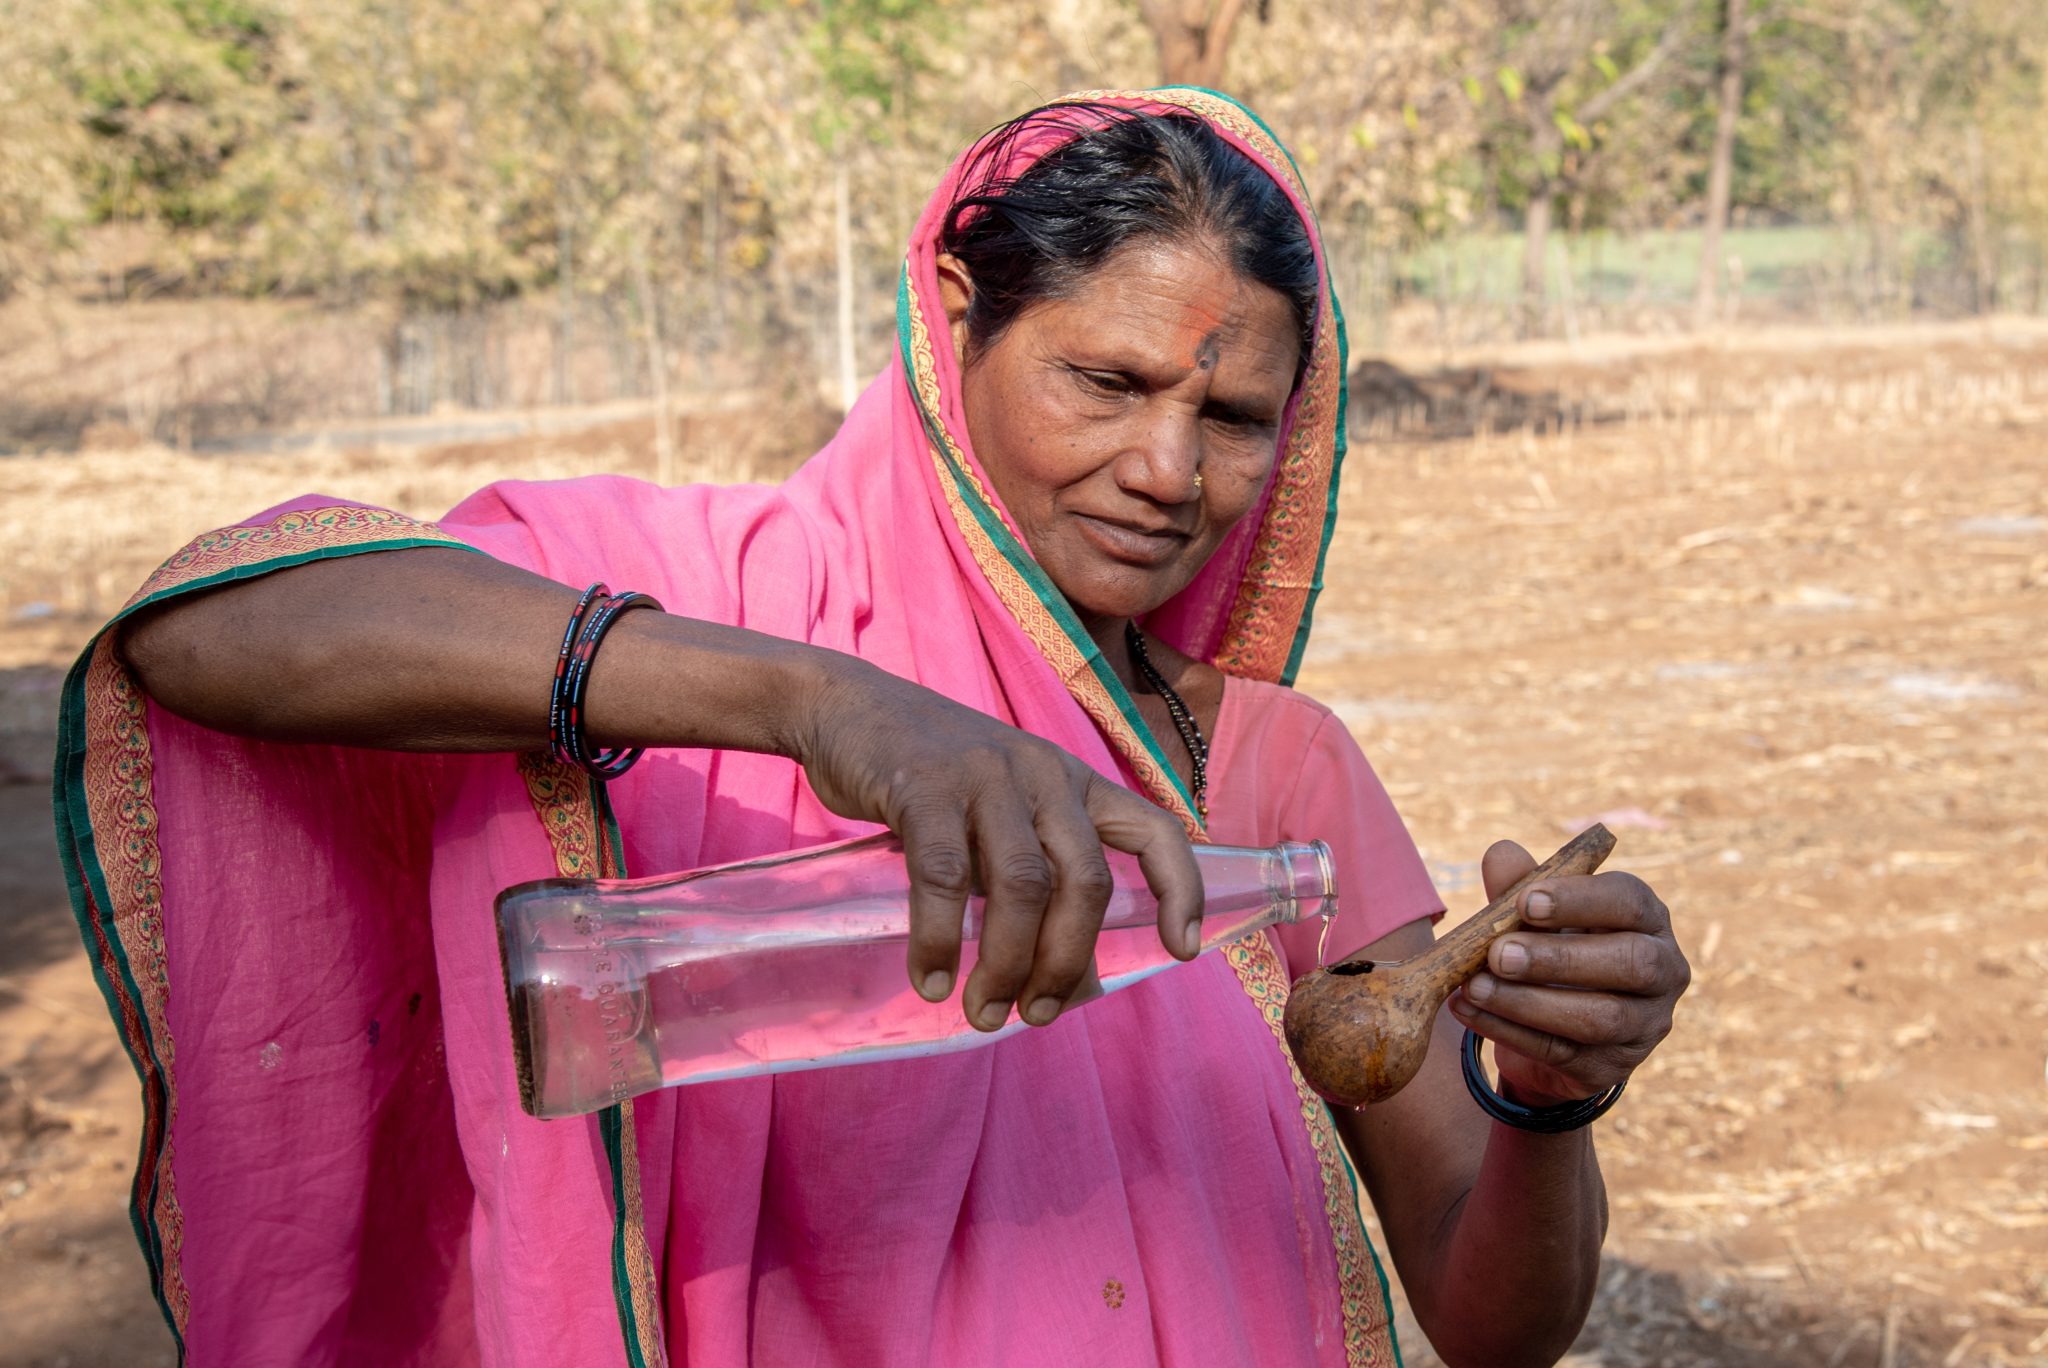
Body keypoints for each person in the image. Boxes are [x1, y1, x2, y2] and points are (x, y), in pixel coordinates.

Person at [57, 90, 1690, 1367]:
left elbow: (1494, 1325)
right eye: (1105, 381)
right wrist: (825, 707)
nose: (1171, 472)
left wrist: (1549, 1098)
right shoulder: (728, 614)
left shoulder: (1267, 773)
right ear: (953, 323)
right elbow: (221, 625)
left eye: (1235, 417)